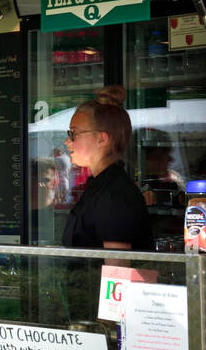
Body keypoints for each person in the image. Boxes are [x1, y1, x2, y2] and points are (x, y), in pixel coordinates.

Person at [61, 86, 155, 250]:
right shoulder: (102, 186)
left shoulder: (114, 194)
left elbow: (118, 269)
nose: (67, 142)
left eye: (73, 134)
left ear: (102, 139)